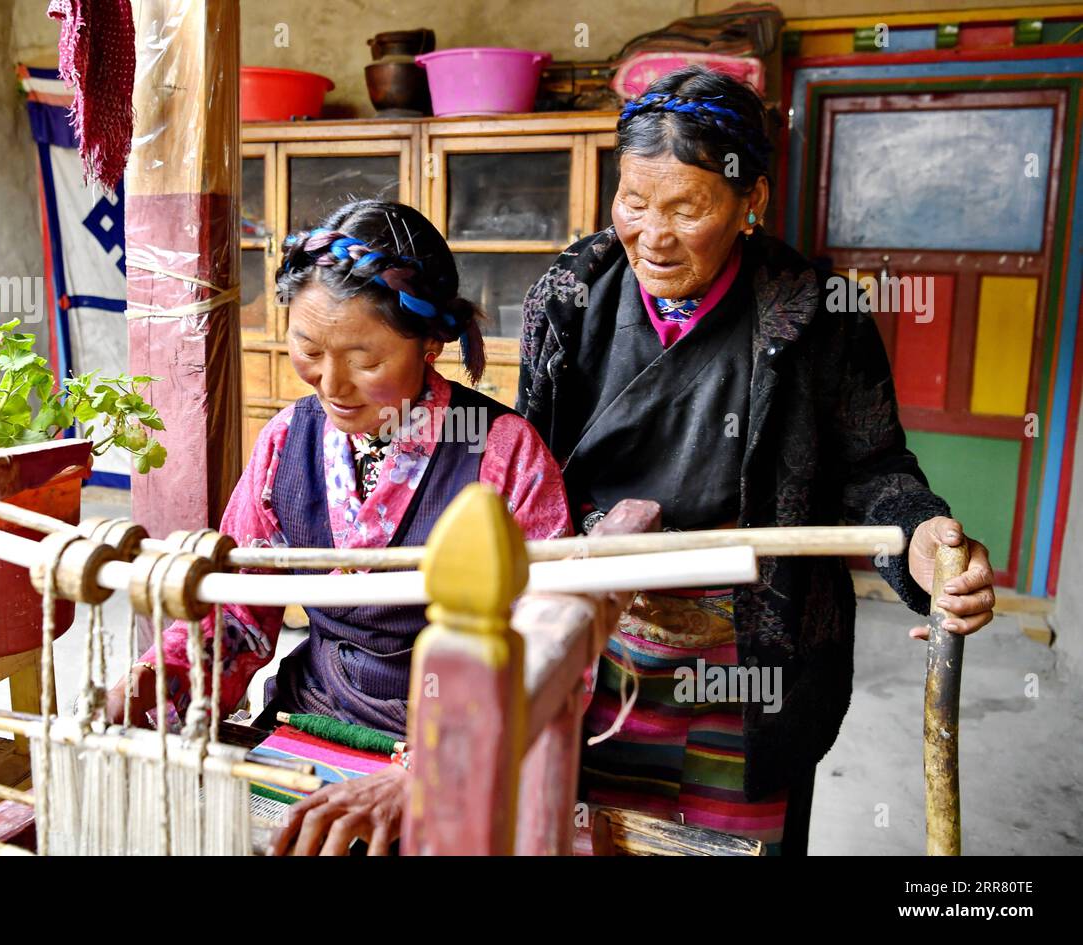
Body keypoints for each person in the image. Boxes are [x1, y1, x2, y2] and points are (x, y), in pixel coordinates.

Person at [515, 66, 997, 855]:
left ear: (753, 202)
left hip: (750, 654)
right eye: (634, 201)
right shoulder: (570, 293)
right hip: (598, 636)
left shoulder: (814, 312)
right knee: (597, 836)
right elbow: (526, 464)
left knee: (735, 844)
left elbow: (874, 470)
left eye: (688, 208)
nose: (653, 234)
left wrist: (920, 539)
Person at [105, 199, 572, 854]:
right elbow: (238, 614)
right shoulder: (283, 444)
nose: (333, 383)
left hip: (458, 742)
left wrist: (432, 769)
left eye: (365, 358)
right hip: (311, 718)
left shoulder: (503, 454)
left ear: (431, 341)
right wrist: (165, 678)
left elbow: (550, 644)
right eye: (309, 349)